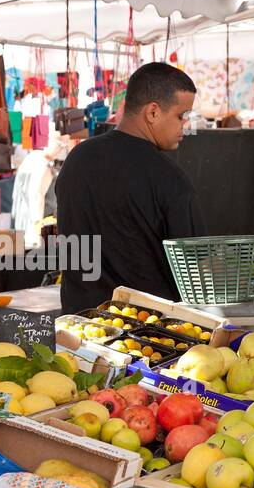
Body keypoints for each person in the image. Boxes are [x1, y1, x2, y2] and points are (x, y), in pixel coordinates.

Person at [56, 63, 205, 313]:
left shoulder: (77, 158)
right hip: (148, 337)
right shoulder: (169, 178)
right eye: (181, 116)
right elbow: (196, 272)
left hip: (78, 325)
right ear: (153, 112)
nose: (185, 126)